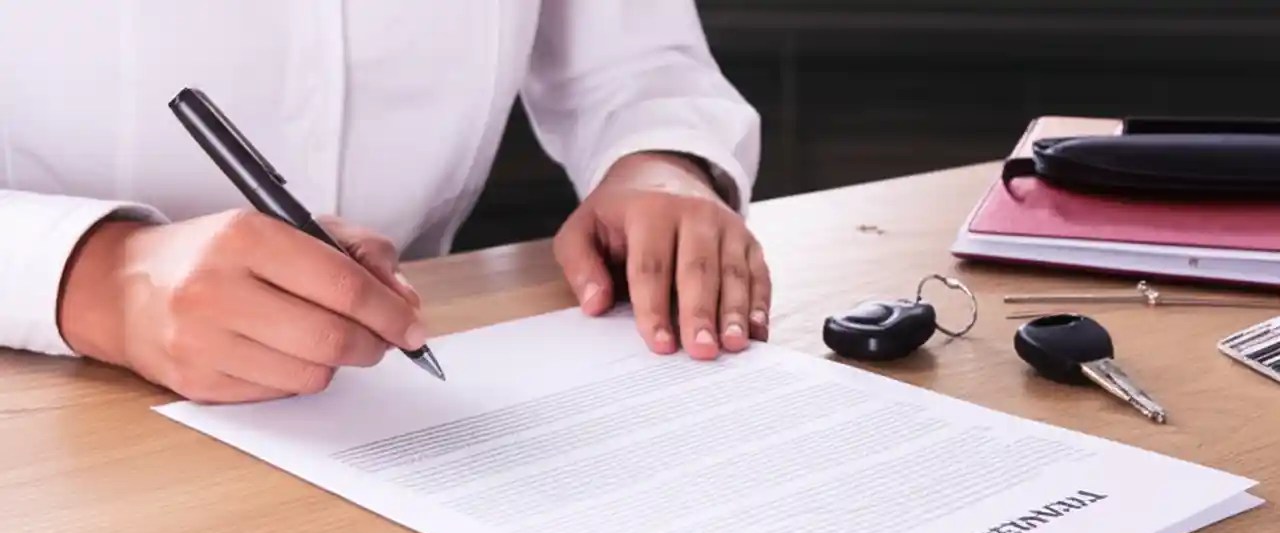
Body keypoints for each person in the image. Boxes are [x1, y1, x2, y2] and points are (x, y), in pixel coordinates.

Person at [0, 1, 768, 403]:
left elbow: (634, 63)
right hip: (60, 403)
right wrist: (103, 281)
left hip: (397, 390)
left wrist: (661, 159)